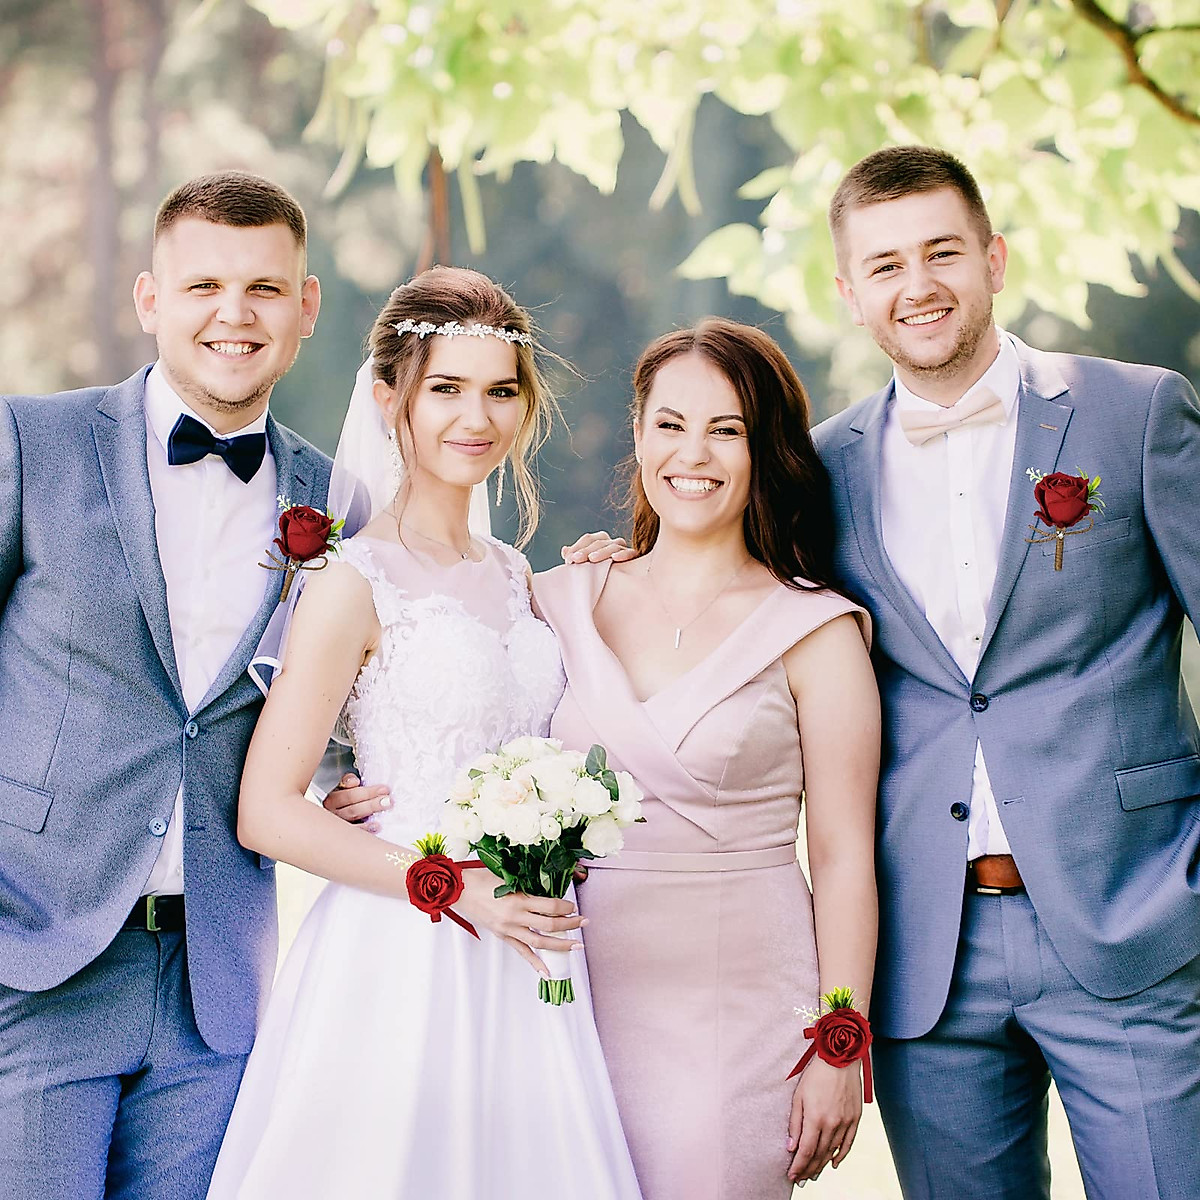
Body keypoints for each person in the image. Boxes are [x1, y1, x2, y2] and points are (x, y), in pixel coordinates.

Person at [814, 144, 1200, 1200]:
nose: (918, 285)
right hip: (927, 955)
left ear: (993, 257)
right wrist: (619, 564)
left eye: (942, 252)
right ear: (849, 293)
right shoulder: (821, 466)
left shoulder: (1134, 413)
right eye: (885, 265)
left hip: (1134, 920)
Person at [205, 266, 642, 1200]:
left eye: (501, 392)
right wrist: (454, 889)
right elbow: (267, 812)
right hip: (403, 950)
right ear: (387, 398)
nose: (476, 417)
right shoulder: (351, 581)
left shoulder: (519, 575)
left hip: (528, 952)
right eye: (446, 388)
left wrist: (616, 573)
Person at [0, 171, 381, 1200]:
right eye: (204, 284)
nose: (234, 314)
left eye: (264, 288)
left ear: (306, 306)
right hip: (33, 960)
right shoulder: (30, 443)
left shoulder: (339, 502)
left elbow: (338, 708)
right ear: (150, 299)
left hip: (217, 985)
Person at [535, 318, 880, 1197]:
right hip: (565, 1000)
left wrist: (840, 1042)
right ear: (638, 434)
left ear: (767, 450)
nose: (693, 454)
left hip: (740, 1007)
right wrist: (371, 795)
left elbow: (843, 856)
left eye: (727, 430)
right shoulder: (558, 598)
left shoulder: (816, 630)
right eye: (671, 424)